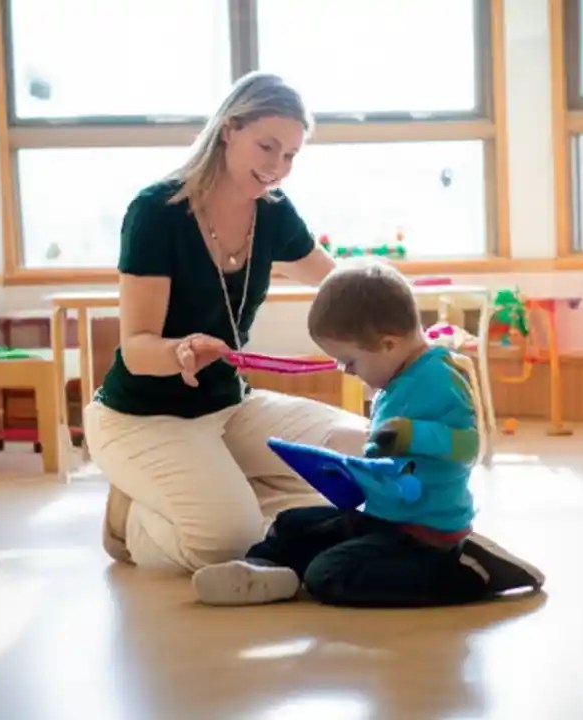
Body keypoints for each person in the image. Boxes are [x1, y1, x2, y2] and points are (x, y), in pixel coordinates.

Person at [82, 72, 367, 571]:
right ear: (229, 130)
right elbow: (136, 348)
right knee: (225, 544)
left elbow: (340, 288)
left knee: (363, 453)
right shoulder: (157, 212)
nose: (278, 167)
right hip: (142, 416)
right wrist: (179, 351)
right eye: (267, 146)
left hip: (228, 406)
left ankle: (227, 487)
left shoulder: (274, 214)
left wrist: (411, 332)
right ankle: (129, 520)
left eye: (291, 155)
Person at [192, 262, 545, 607]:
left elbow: (469, 445)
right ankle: (261, 570)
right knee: (291, 524)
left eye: (350, 362)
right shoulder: (394, 378)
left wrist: (411, 435)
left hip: (425, 533)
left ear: (388, 344)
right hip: (384, 515)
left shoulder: (441, 377)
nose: (347, 371)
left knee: (331, 574)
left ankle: (470, 570)